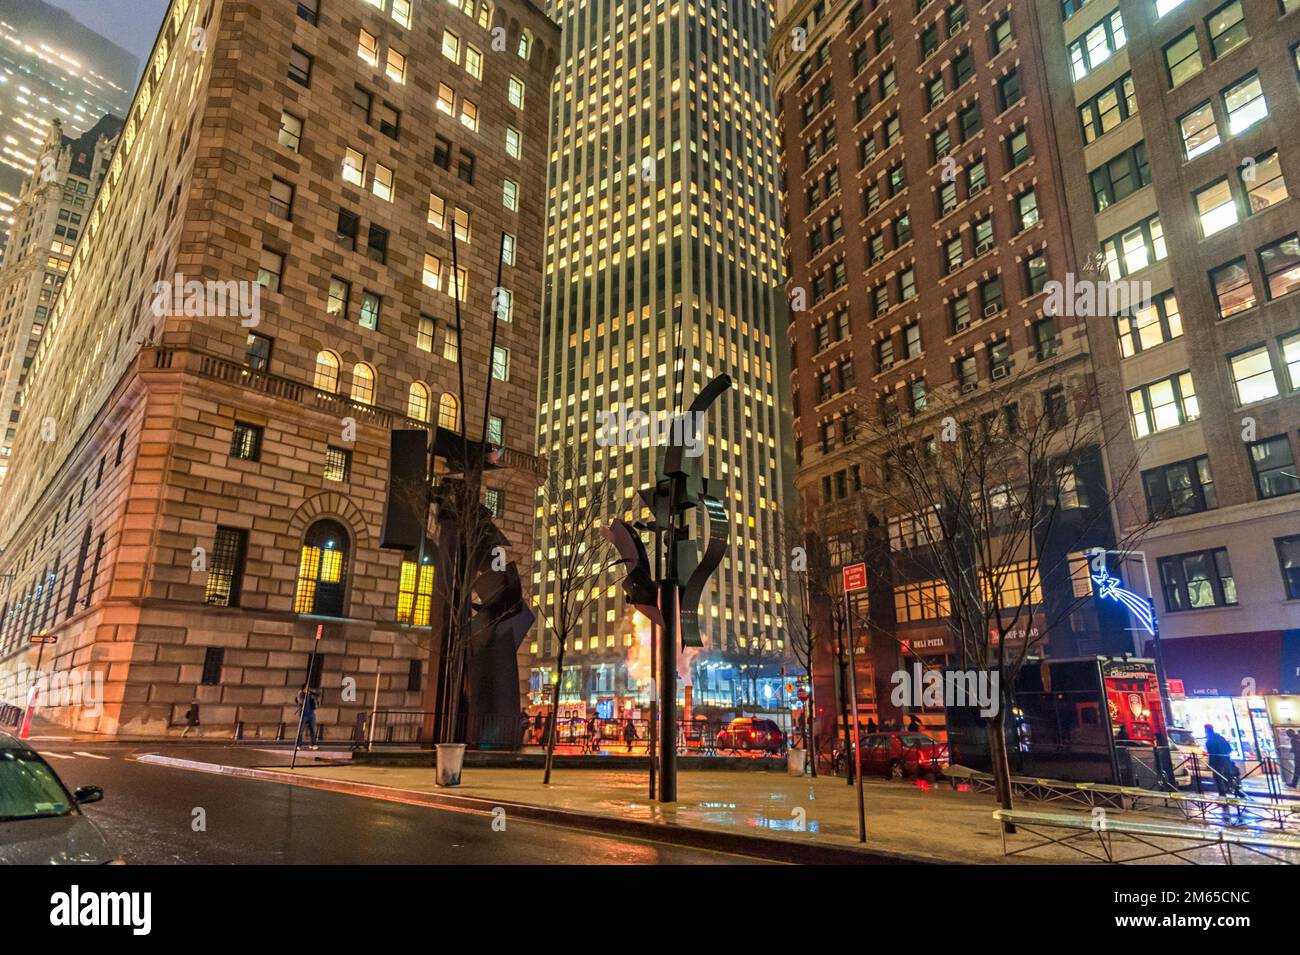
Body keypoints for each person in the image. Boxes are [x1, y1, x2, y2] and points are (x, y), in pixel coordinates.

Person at [1204, 724, 1236, 797]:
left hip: (1217, 763)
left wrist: (1210, 765)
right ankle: (1233, 790)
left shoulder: (1209, 741)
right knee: (1227, 777)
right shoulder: (1221, 738)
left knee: (1218, 779)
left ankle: (1222, 795)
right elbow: (1229, 749)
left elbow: (1211, 755)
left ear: (1206, 731)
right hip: (1226, 761)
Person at [295, 685, 320, 750]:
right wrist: (307, 695)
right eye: (306, 687)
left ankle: (313, 744)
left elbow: (316, 701)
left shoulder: (311, 694)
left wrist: (314, 698)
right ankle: (298, 745)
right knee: (301, 730)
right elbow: (301, 701)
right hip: (304, 715)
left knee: (313, 730)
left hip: (311, 714)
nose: (308, 689)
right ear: (304, 688)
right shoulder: (301, 694)